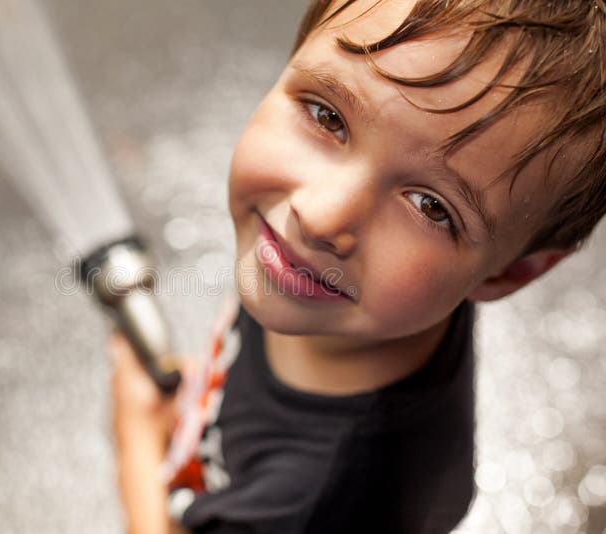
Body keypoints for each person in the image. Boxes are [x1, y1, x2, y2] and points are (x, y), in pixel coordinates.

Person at [110, 0, 606, 532]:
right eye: (328, 117)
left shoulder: (325, 501)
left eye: (429, 207)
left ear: (507, 273)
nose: (320, 217)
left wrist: (136, 439)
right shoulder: (343, 292)